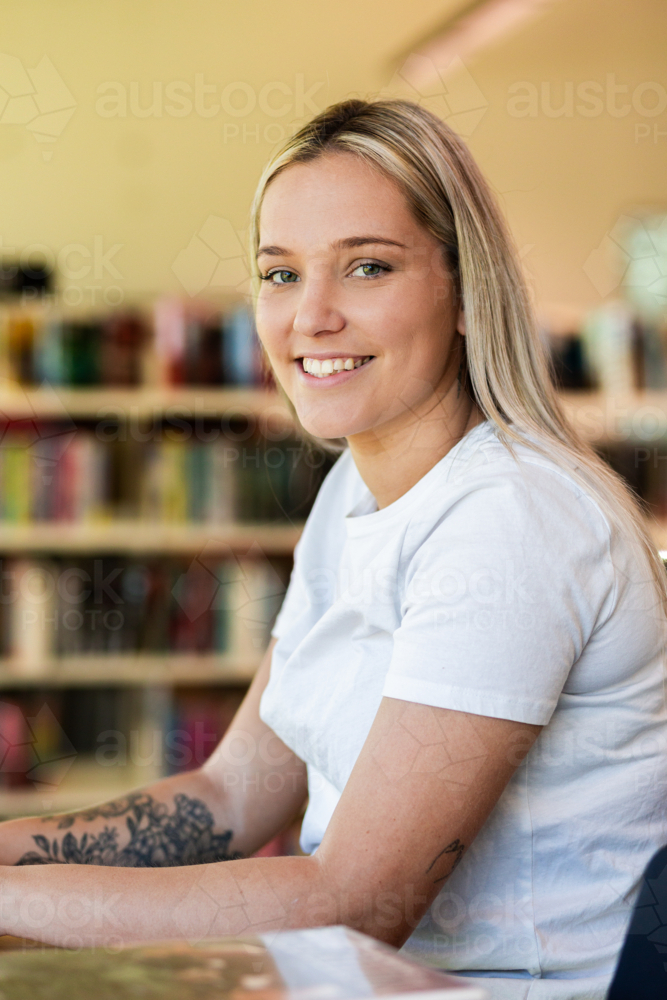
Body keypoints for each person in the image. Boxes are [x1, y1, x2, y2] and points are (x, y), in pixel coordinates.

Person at [0, 98, 665, 1000]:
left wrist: (15, 907)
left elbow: (356, 903)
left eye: (366, 267)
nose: (310, 317)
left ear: (465, 292)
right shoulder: (358, 487)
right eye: (279, 274)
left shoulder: (511, 519)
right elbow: (230, 800)